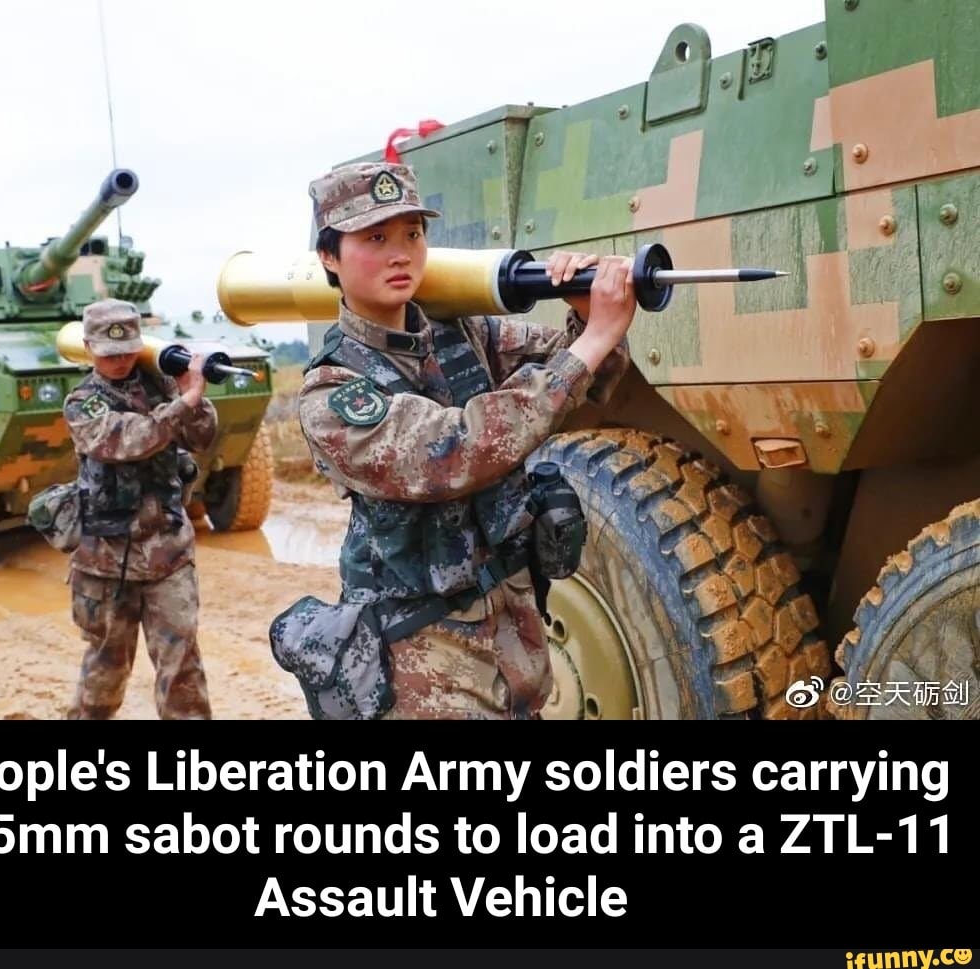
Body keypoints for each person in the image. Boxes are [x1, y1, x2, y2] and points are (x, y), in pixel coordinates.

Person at [271, 161, 637, 720]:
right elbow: (451, 453)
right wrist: (594, 339)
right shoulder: (333, 391)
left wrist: (585, 318)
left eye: (413, 234)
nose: (401, 253)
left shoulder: (466, 333)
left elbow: (583, 379)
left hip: (516, 634)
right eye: (375, 238)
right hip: (423, 656)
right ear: (328, 256)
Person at [62, 298, 217, 720]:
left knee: (183, 671)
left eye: (128, 349)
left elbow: (202, 438)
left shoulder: (162, 387)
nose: (120, 360)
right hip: (105, 562)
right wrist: (182, 405)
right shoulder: (82, 402)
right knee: (104, 675)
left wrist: (193, 396)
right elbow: (126, 441)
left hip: (168, 555)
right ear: (89, 347)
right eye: (109, 352)